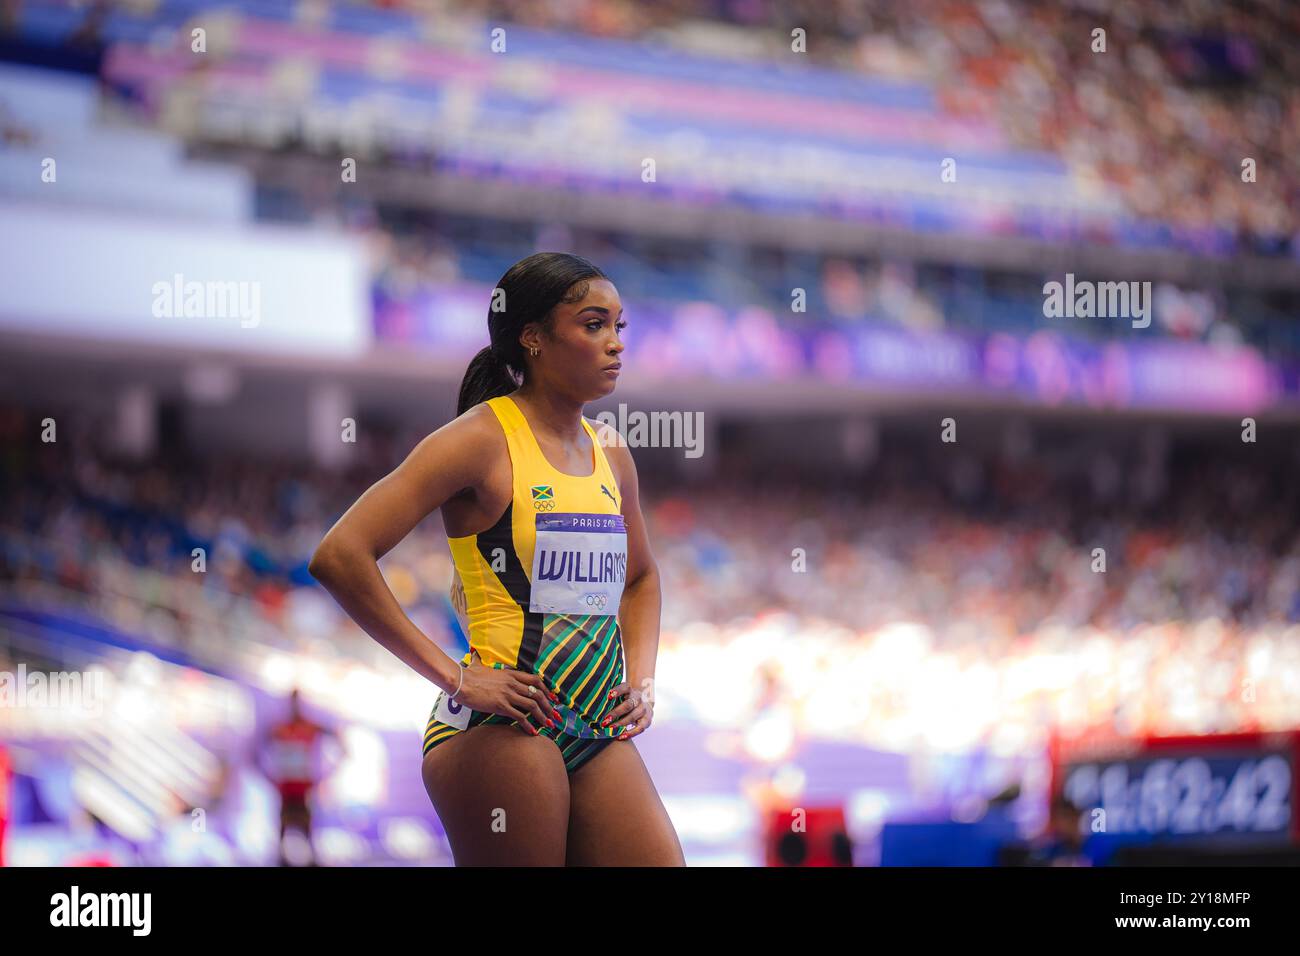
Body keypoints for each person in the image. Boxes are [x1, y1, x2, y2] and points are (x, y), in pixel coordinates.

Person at [310, 252, 683, 866]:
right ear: (532, 338)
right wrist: (455, 676)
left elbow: (641, 578)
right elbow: (340, 554)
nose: (615, 343)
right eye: (593, 325)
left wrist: (640, 680)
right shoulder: (479, 440)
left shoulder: (612, 453)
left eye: (620, 326)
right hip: (502, 728)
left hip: (594, 726)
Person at [259, 688, 340, 866]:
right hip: (287, 788)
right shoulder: (281, 728)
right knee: (285, 831)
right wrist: (267, 776)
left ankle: (308, 859)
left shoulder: (308, 726)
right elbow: (257, 748)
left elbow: (337, 737)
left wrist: (327, 774)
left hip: (303, 788)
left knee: (306, 830)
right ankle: (284, 859)